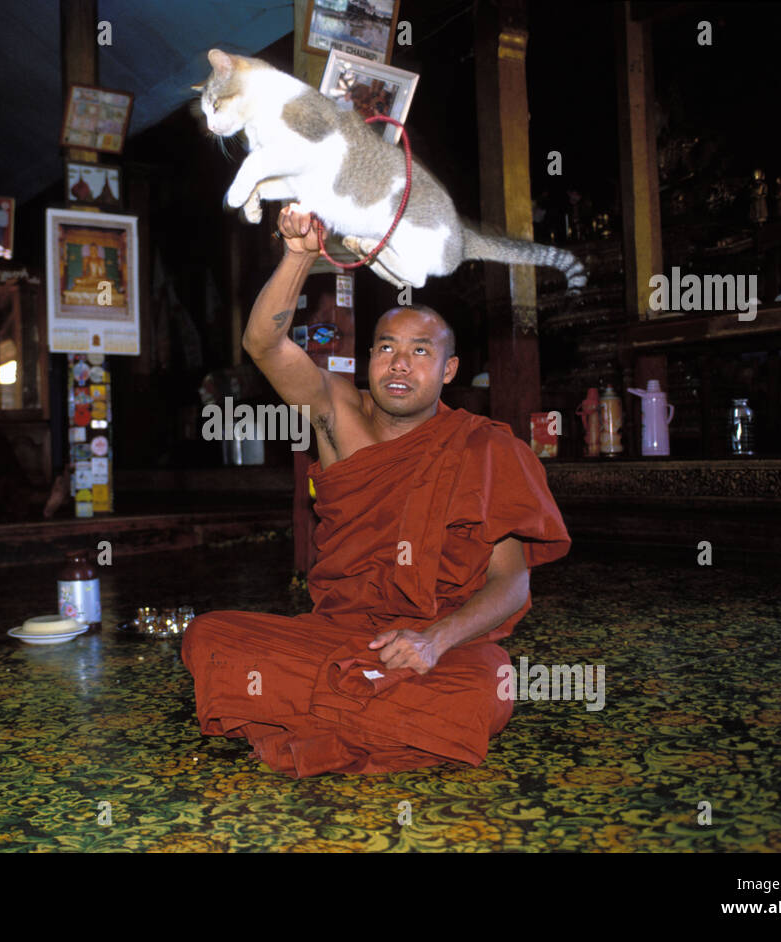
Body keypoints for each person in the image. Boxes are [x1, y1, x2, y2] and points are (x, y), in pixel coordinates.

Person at [181, 206, 571, 778]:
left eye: (421, 352)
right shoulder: (335, 412)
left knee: (489, 683)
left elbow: (511, 582)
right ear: (369, 359)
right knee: (208, 636)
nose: (400, 364)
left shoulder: (484, 449)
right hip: (338, 636)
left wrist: (434, 641)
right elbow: (264, 344)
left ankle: (316, 711)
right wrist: (298, 256)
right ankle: (372, 715)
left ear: (448, 369)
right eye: (387, 347)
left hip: (439, 652)